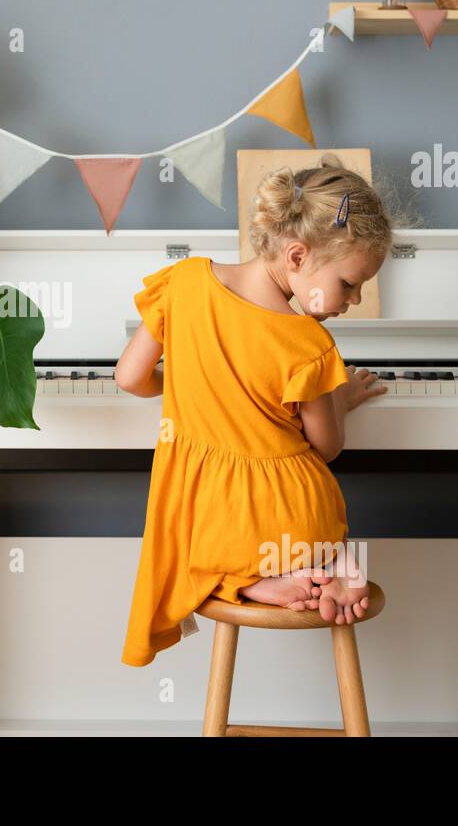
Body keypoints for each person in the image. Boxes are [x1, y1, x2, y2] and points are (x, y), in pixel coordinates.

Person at [117, 155, 393, 667]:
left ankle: (248, 576)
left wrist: (188, 383)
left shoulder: (182, 283)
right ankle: (320, 562)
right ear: (296, 256)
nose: (353, 300)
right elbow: (327, 448)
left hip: (207, 513)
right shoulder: (308, 342)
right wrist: (343, 397)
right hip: (293, 515)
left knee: (204, 539)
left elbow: (129, 378)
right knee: (318, 516)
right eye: (349, 283)